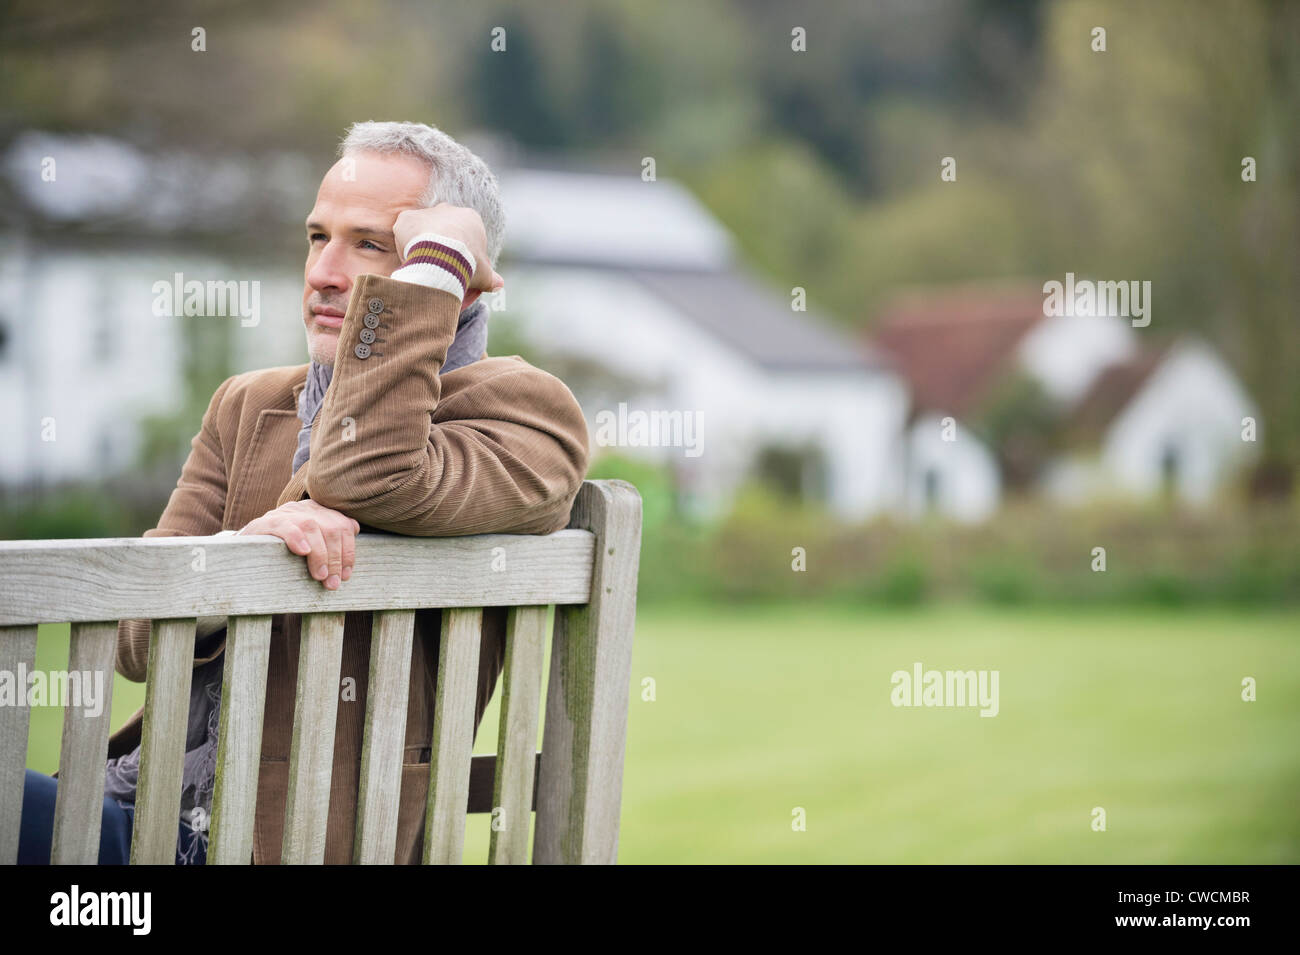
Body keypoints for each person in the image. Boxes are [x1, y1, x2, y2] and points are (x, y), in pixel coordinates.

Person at [18, 120, 590, 865]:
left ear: (462, 277)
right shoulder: (249, 405)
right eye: (319, 237)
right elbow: (133, 633)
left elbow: (366, 471)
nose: (324, 270)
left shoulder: (523, 413)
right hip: (138, 809)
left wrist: (441, 256)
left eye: (373, 245)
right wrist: (229, 564)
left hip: (273, 843)